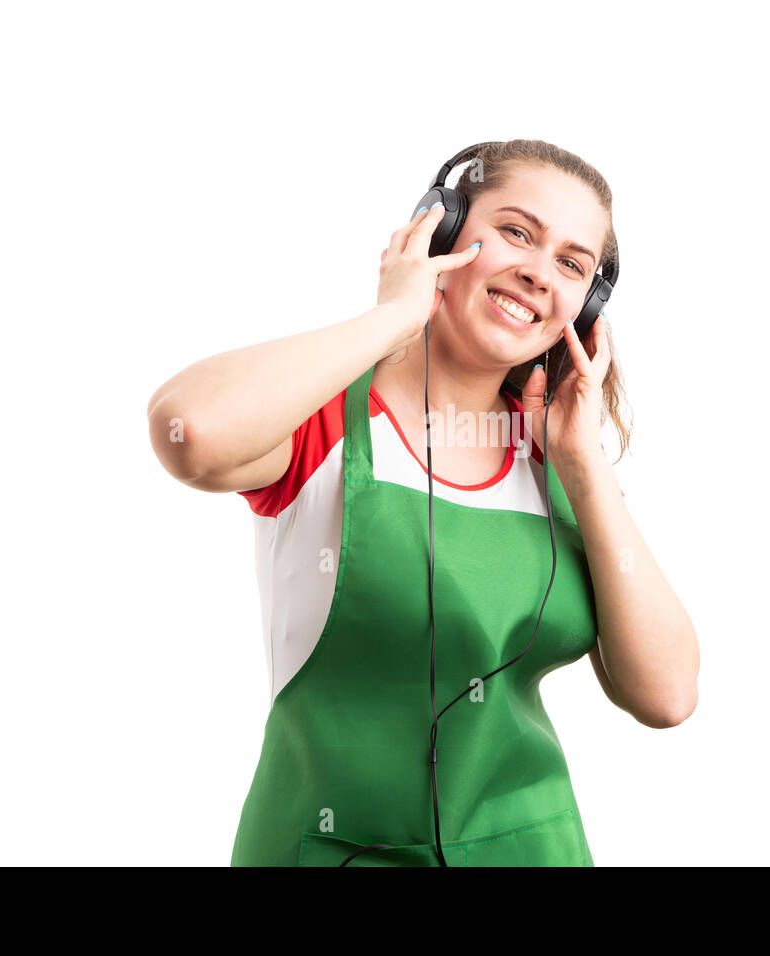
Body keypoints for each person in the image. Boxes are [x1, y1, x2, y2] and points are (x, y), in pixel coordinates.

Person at [147, 139, 700, 866]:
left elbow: (666, 695)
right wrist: (397, 315)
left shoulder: (560, 463)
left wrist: (585, 468)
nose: (538, 271)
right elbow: (190, 432)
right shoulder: (320, 422)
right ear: (441, 231)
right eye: (516, 232)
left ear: (587, 301)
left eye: (571, 263)